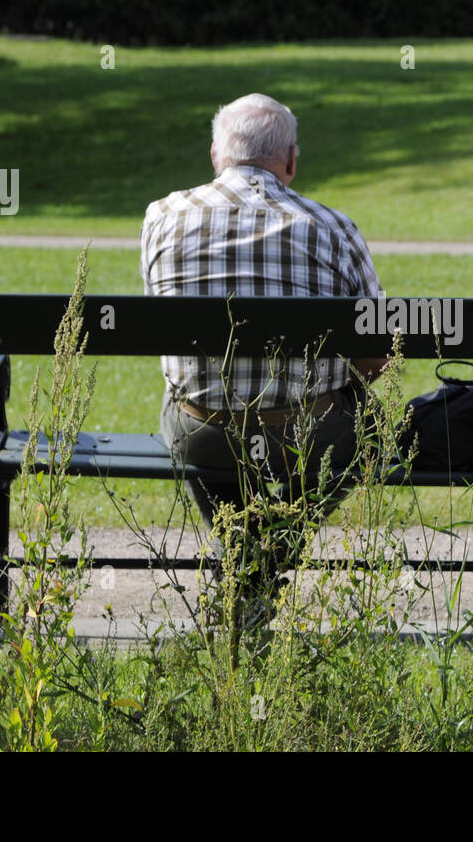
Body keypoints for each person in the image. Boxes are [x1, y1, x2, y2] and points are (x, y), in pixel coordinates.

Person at [140, 93, 385, 612]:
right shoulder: (333, 228)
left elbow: (163, 330)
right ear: (291, 161)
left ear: (215, 154)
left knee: (185, 412)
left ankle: (242, 568)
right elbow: (375, 352)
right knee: (370, 431)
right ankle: (267, 564)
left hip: (203, 432)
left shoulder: (161, 217)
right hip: (305, 435)